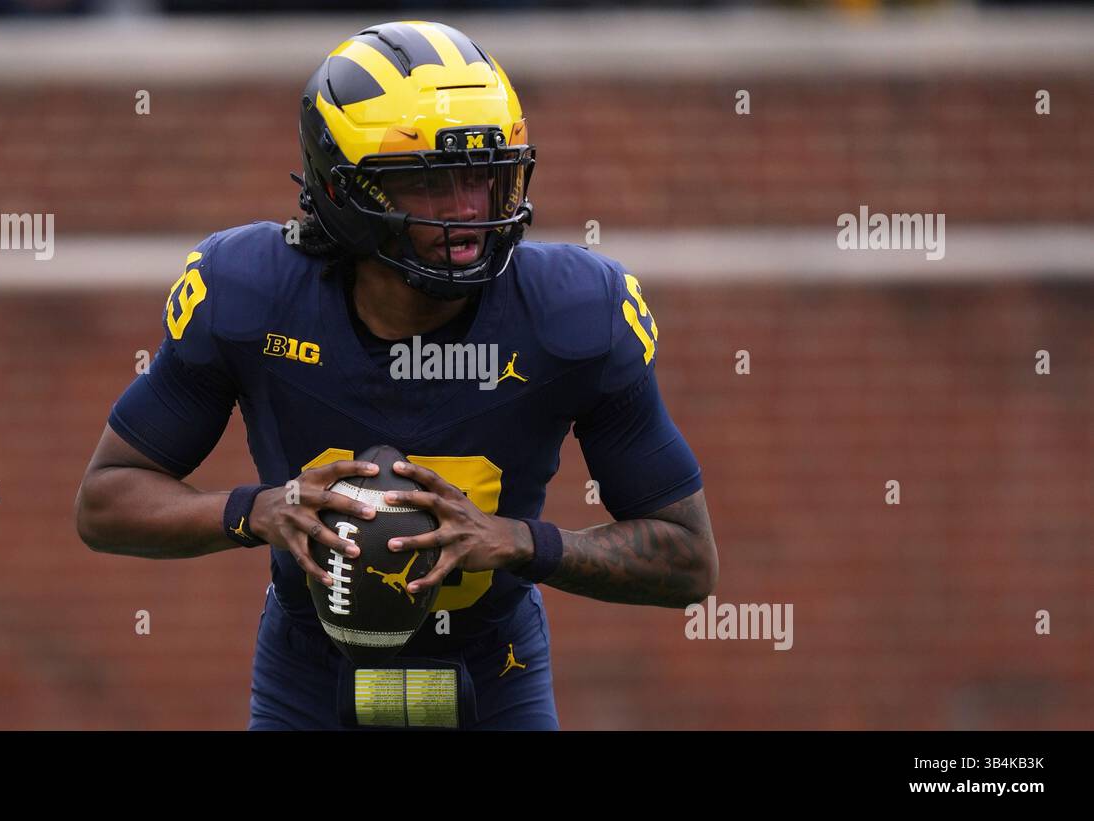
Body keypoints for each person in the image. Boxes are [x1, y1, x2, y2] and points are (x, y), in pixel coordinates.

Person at [75, 20, 718, 730]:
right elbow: (106, 500)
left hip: (495, 668)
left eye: (484, 174)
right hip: (309, 674)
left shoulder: (573, 313)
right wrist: (252, 509)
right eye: (428, 183)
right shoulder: (251, 296)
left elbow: (688, 557)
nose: (469, 211)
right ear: (341, 189)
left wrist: (522, 541)